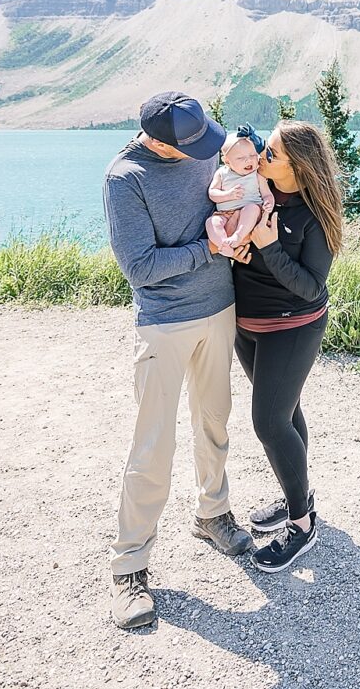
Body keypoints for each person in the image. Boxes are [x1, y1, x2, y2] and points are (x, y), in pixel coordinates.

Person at [103, 91, 254, 630]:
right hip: (165, 322)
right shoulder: (126, 179)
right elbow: (139, 267)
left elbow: (234, 190)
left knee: (214, 423)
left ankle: (212, 514)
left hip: (220, 309)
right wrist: (209, 251)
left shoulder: (204, 148)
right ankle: (130, 566)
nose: (205, 153)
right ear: (159, 141)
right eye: (192, 146)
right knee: (153, 445)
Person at [227, 120, 345, 573]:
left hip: (293, 327)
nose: (260, 157)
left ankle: (302, 523)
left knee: (269, 422)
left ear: (298, 166)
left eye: (271, 154)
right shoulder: (257, 192)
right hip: (248, 326)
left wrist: (270, 247)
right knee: (287, 413)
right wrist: (236, 251)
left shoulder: (316, 214)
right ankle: (299, 491)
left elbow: (311, 289)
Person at [206, 124, 275, 255]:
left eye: (253, 155)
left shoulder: (257, 175)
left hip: (251, 213)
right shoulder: (221, 173)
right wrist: (227, 195)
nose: (248, 160)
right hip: (225, 214)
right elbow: (212, 193)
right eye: (241, 158)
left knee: (252, 209)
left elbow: (267, 195)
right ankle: (223, 244)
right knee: (212, 222)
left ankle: (237, 237)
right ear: (227, 161)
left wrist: (268, 203)